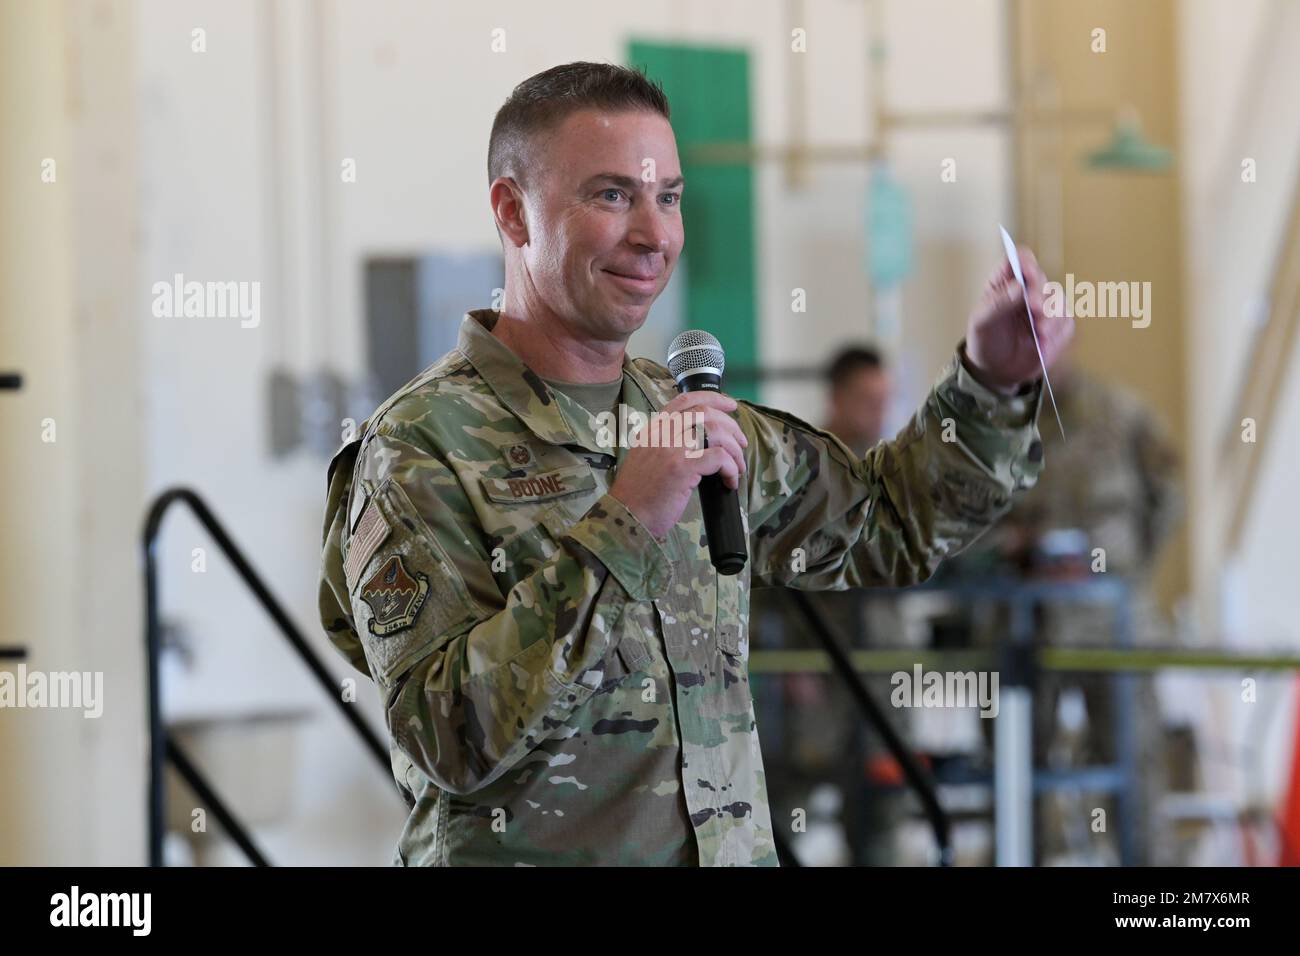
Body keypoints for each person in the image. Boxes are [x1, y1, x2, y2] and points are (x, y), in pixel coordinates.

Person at [317, 61, 1073, 866]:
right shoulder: (419, 447)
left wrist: (990, 382)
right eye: (611, 195)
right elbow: (447, 735)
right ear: (514, 212)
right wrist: (625, 524)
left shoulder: (686, 416)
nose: (655, 235)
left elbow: (890, 524)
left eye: (668, 197)